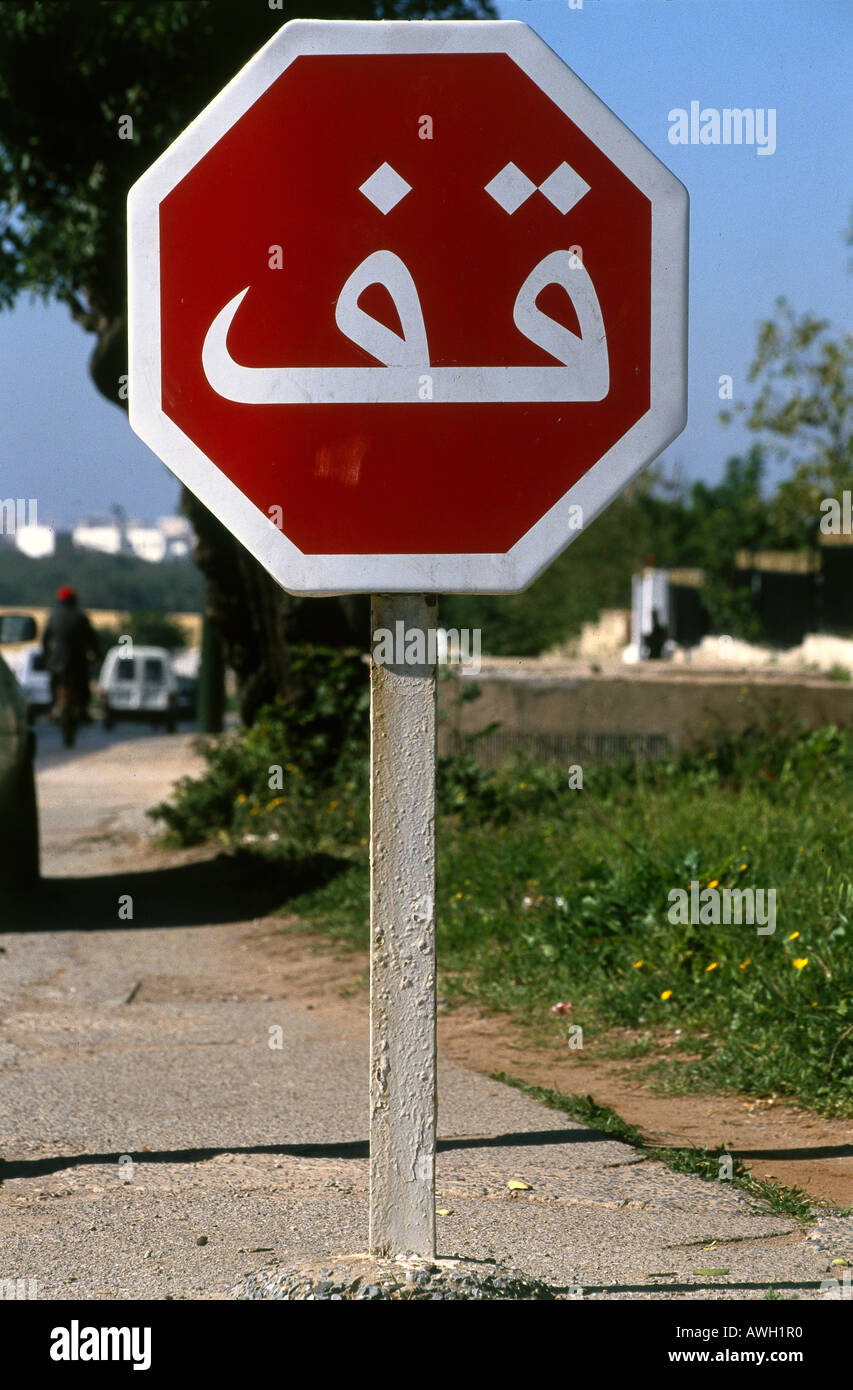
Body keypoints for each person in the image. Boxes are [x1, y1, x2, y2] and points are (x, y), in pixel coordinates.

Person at [42, 586, 99, 722]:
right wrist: (96, 653)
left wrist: (47, 656)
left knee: (53, 685)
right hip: (77, 662)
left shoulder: (53, 617)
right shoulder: (80, 617)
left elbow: (45, 640)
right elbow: (92, 639)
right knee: (84, 686)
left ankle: (53, 708)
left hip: (57, 662)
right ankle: (83, 711)